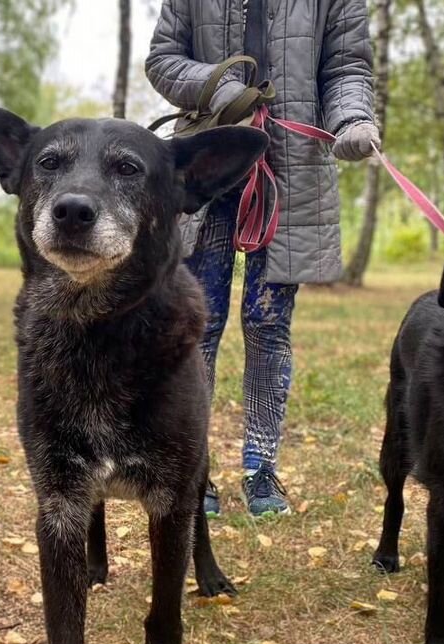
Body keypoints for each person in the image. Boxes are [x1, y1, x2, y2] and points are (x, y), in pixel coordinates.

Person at [145, 0, 378, 516]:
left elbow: (346, 67)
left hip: (292, 177)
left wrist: (352, 119)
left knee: (268, 323)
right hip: (207, 169)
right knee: (197, 324)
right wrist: (225, 92)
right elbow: (163, 59)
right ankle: (194, 469)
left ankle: (261, 469)